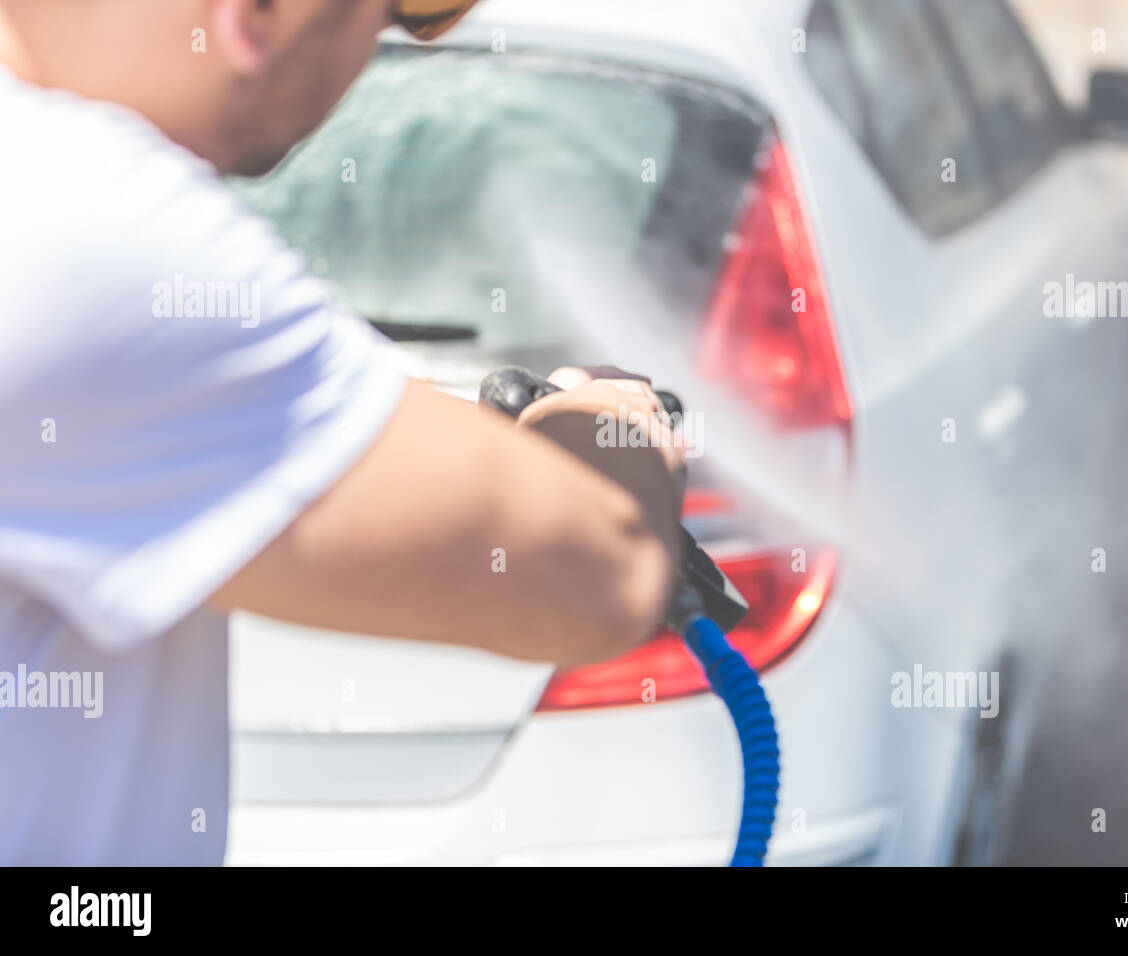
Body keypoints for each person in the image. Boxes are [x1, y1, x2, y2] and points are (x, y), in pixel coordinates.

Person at [0, 0, 683, 865]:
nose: (374, 55)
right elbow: (604, 573)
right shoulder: (90, 224)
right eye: (383, 18)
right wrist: (609, 431)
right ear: (257, 17)